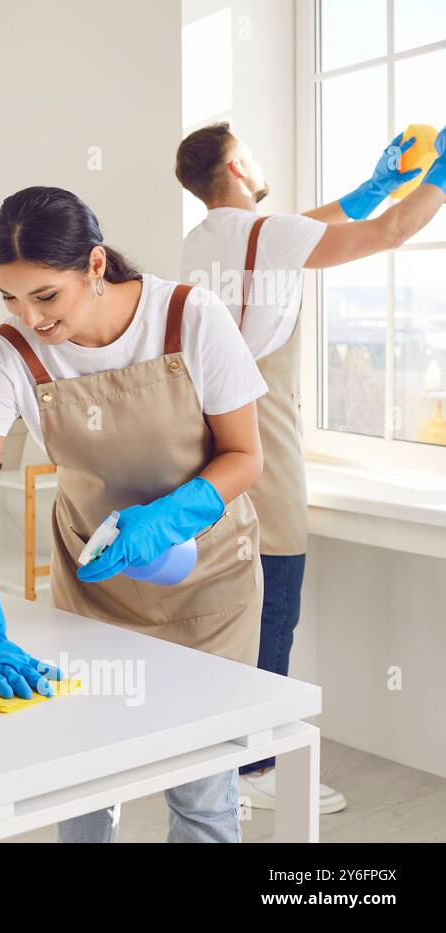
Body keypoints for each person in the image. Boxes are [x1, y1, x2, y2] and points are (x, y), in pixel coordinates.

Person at [0, 186, 268, 843]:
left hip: (208, 588)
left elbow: (245, 454)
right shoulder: (11, 355)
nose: (28, 317)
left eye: (45, 296)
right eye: (9, 296)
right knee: (83, 783)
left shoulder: (189, 316)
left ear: (94, 266)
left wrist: (174, 515)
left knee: (202, 791)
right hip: (92, 590)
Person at [177, 122, 446, 814]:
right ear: (238, 163)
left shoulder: (207, 239)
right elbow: (388, 235)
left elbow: (299, 231)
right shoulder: (265, 236)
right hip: (261, 434)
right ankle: (256, 763)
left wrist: (373, 186)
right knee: (276, 599)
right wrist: (439, 175)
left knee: (229, 600)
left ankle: (221, 749)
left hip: (206, 433)